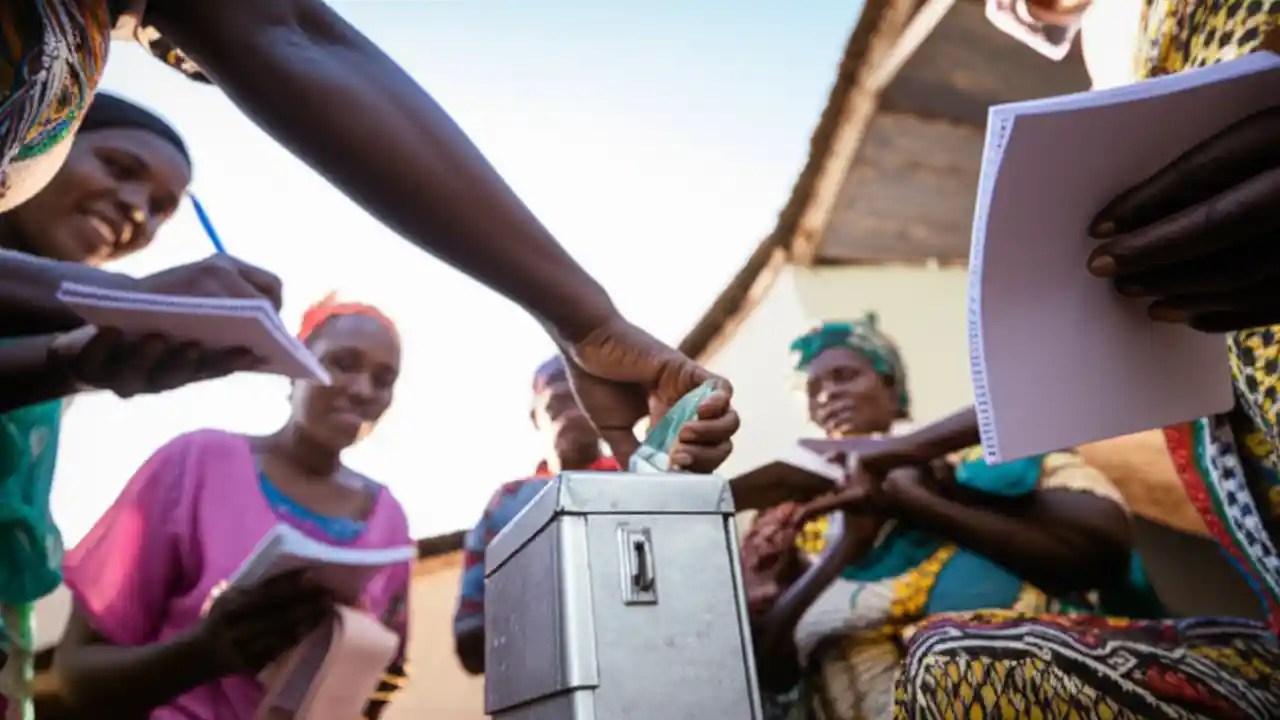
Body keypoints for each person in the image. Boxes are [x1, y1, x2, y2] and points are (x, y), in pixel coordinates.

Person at [1, 0, 740, 473]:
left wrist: (586, 320)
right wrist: (101, 295)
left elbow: (290, 33)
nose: (136, 209)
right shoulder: (199, 468)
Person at [871, 6, 1280, 717]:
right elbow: (1076, 362)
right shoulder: (1108, 50)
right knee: (958, 675)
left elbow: (1091, 548)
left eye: (843, 376)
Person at [0, 93, 268, 719]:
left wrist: (84, 360)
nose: (136, 211)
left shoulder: (59, 340)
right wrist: (125, 299)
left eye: (161, 211)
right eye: (120, 168)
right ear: (38, 145)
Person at [740, 317, 1142, 720]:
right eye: (813, 390)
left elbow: (1100, 549)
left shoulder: (982, 458)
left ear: (891, 387)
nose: (828, 395)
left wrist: (918, 502)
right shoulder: (790, 522)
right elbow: (763, 670)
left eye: (844, 376)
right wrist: (843, 552)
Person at [54, 294, 412, 719]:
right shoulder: (195, 465)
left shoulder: (389, 523)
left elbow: (381, 683)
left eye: (383, 378)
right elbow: (77, 675)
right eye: (342, 363)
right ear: (292, 366)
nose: (361, 389)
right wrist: (205, 652)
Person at [453, 355, 621, 674]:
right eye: (556, 405)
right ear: (535, 417)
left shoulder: (638, 478)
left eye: (584, 401)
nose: (571, 415)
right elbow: (471, 640)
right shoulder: (507, 504)